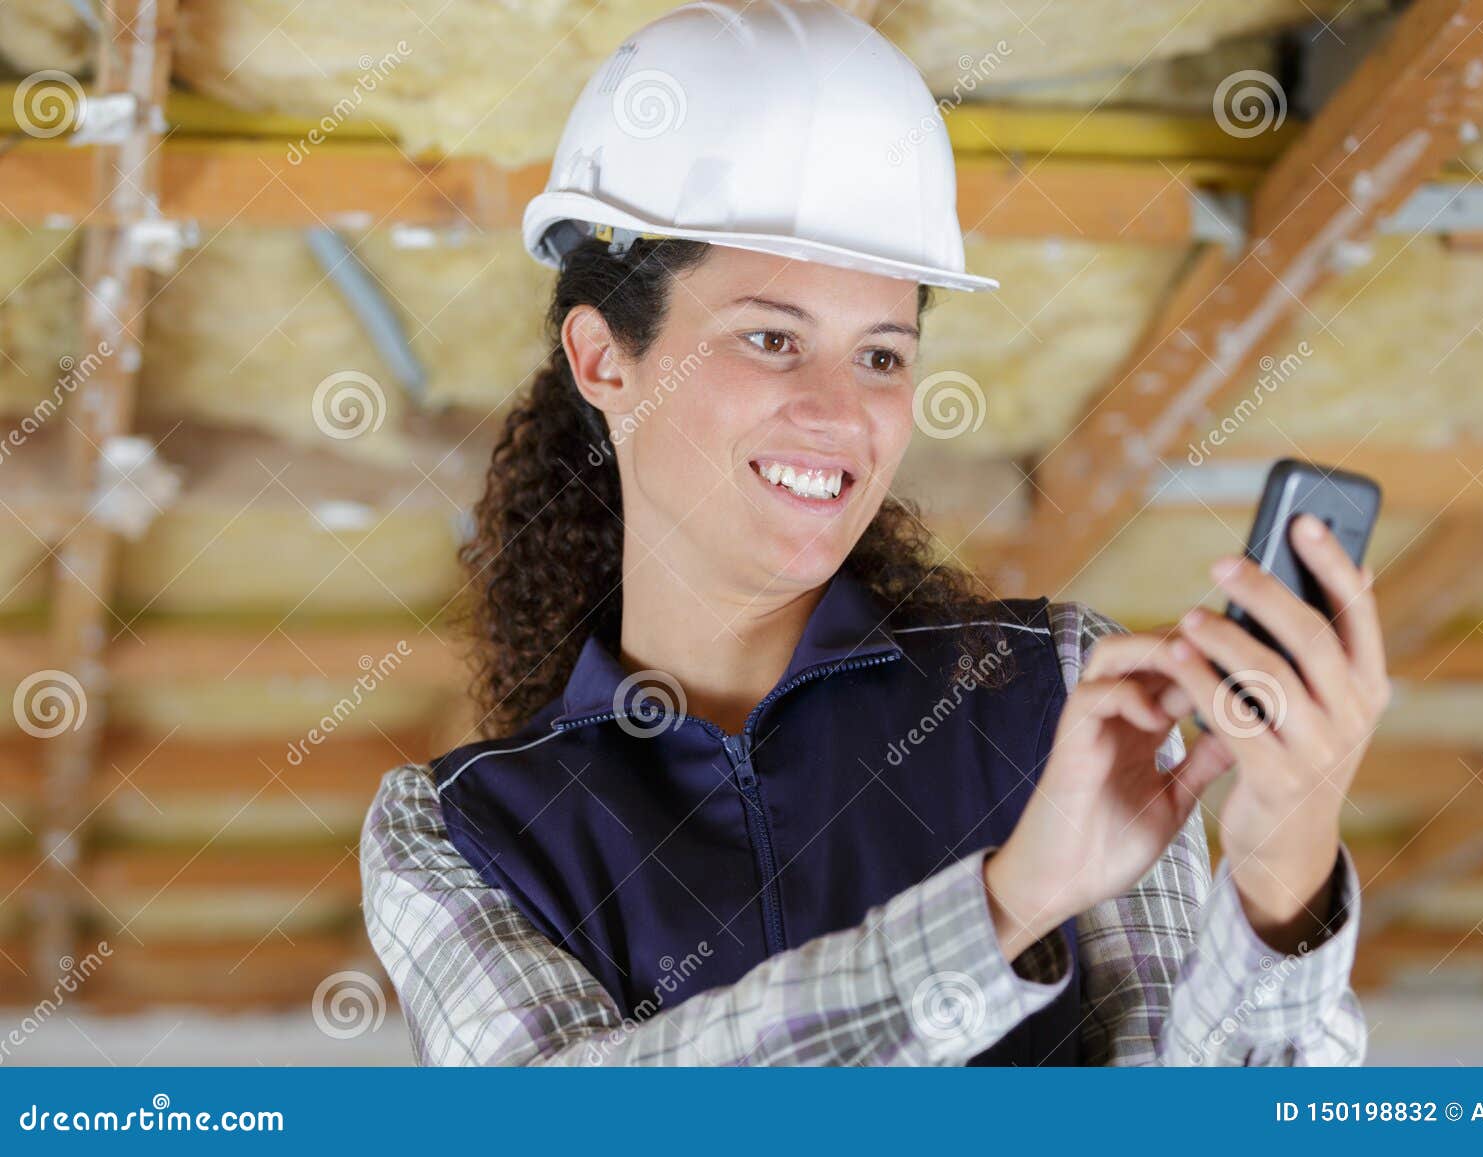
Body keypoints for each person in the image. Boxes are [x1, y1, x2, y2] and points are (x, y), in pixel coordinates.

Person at [360, 0, 1384, 1066]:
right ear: (604, 359)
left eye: (882, 355)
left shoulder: (1060, 692)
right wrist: (1003, 906)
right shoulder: (460, 831)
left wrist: (1282, 881)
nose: (842, 414)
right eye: (771, 336)